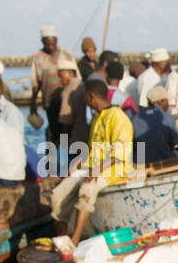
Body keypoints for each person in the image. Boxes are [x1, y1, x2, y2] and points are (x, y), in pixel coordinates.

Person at [51, 79, 134, 243]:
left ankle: (75, 239)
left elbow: (120, 152)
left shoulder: (118, 117)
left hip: (113, 167)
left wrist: (98, 169)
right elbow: (91, 149)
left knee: (87, 190)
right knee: (57, 195)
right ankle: (62, 241)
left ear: (91, 96)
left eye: (85, 98)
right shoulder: (97, 119)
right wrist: (76, 164)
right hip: (92, 166)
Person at [28, 25, 74, 124]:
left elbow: (76, 77)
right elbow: (35, 84)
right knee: (54, 129)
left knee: (65, 128)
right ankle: (56, 140)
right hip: (49, 102)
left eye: (53, 44)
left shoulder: (66, 54)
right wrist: (33, 104)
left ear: (56, 41)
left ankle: (64, 140)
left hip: (67, 100)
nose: (50, 47)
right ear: (42, 42)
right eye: (47, 44)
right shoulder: (37, 57)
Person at [132, 85, 178, 162]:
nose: (168, 105)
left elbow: (134, 145)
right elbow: (175, 143)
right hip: (163, 162)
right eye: (167, 101)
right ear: (160, 102)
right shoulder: (168, 118)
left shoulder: (135, 119)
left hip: (141, 163)